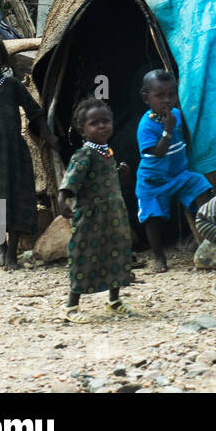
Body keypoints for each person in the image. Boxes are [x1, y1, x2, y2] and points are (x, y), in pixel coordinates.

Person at [0, 35, 58, 270]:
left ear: (3, 61)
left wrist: (48, 136)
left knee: (15, 197)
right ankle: (2, 247)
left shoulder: (12, 86)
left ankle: (13, 253)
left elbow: (34, 111)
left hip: (13, 151)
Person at [58, 99, 134, 319]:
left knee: (117, 254)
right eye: (95, 123)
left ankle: (114, 301)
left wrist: (120, 174)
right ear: (83, 129)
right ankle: (71, 307)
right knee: (84, 256)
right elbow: (71, 179)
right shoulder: (85, 154)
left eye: (106, 121)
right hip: (90, 217)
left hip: (113, 216)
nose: (102, 126)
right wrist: (63, 199)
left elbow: (103, 180)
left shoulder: (107, 152)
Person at [135, 70, 213, 272]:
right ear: (146, 98)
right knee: (152, 219)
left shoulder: (177, 115)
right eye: (160, 96)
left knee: (201, 186)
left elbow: (185, 136)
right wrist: (168, 129)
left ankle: (208, 237)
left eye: (172, 95)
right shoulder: (146, 126)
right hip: (153, 181)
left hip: (179, 175)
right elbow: (159, 152)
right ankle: (159, 257)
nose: (167, 101)